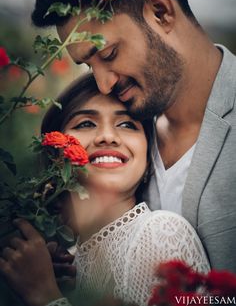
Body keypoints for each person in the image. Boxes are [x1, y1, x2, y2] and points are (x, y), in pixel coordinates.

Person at [31, 0, 236, 272]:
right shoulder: (132, 132)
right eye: (88, 66)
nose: (103, 85)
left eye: (108, 54)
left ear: (161, 12)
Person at [0, 73, 210, 306]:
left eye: (127, 124)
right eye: (86, 123)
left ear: (149, 160)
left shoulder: (159, 233)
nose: (108, 137)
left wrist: (45, 296)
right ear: (54, 153)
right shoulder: (65, 265)